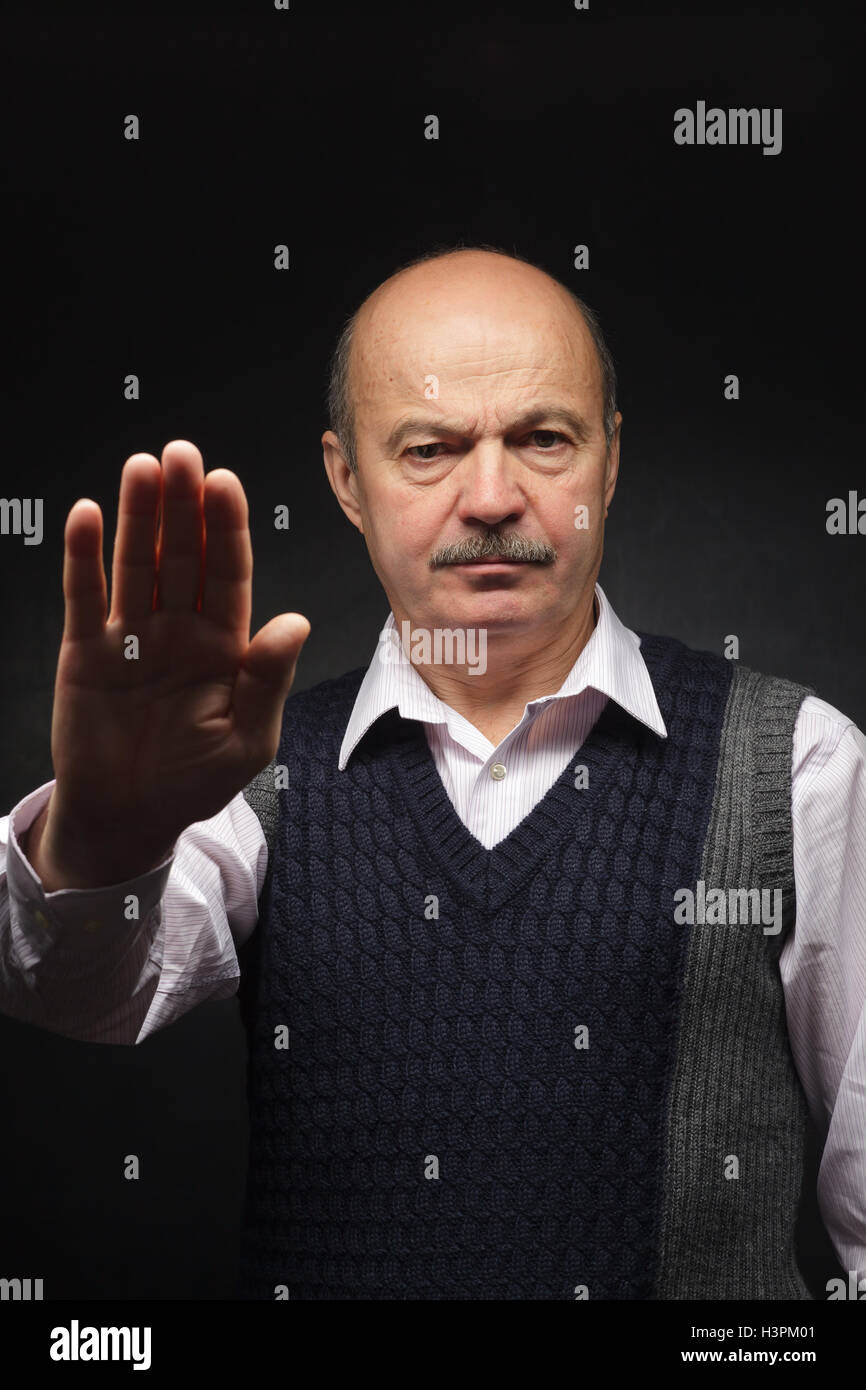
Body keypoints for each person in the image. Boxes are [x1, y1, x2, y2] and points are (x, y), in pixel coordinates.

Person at [1, 246, 863, 1301]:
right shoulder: (250, 776)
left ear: (609, 461)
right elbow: (71, 991)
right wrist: (98, 834)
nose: (491, 495)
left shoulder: (800, 764)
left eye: (543, 439)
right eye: (428, 449)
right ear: (345, 479)